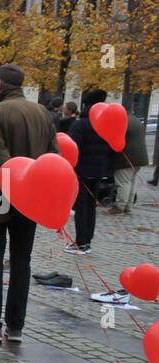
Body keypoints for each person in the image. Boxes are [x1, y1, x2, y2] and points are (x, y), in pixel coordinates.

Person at [0, 63, 59, 343]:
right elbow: (54, 156)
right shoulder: (42, 112)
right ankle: (16, 326)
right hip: (31, 196)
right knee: (22, 261)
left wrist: (14, 184)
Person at [67, 88, 111, 255]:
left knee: (81, 207)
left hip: (82, 171)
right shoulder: (106, 124)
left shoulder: (81, 124)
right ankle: (87, 241)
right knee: (91, 206)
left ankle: (81, 243)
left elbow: (72, 147)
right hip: (99, 171)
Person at [106, 106, 148, 215]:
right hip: (139, 158)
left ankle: (119, 206)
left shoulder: (123, 122)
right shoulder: (135, 120)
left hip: (126, 158)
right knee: (130, 182)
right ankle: (128, 206)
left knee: (123, 183)